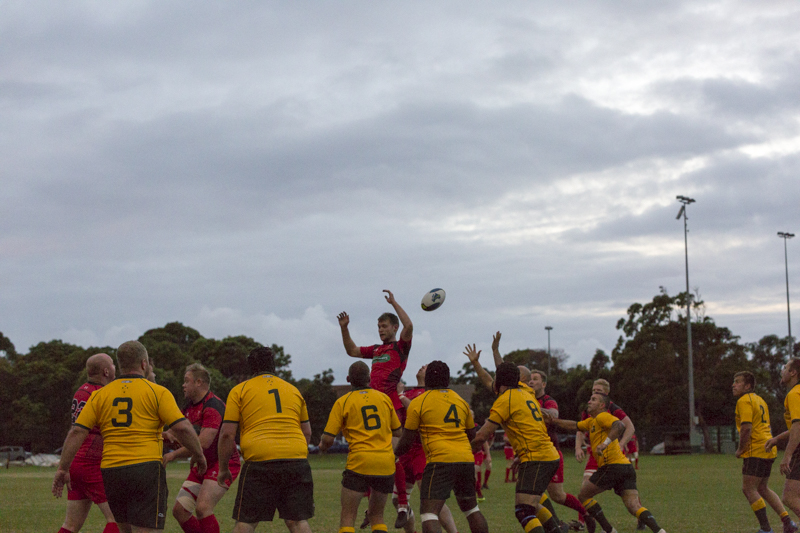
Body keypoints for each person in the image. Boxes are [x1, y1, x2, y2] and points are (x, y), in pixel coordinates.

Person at [53, 340, 207, 533]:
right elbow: (183, 428)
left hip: (111, 471)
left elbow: (77, 431)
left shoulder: (100, 395)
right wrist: (199, 455)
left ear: (120, 366)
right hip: (145, 469)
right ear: (144, 364)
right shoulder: (157, 392)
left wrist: (62, 468)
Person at [338, 289, 414, 528]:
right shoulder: (377, 350)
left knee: (391, 457)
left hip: (391, 407)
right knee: (375, 458)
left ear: (393, 328)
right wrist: (344, 328)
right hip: (373, 407)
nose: (380, 330)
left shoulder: (400, 347)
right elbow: (352, 351)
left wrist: (394, 303)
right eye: (378, 326)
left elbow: (409, 325)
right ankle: (373, 511)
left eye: (384, 326)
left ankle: (403, 505)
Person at [217, 346, 313, 533]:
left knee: (246, 522)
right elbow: (307, 432)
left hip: (261, 461)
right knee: (297, 521)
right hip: (296, 460)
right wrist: (296, 455)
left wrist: (223, 468)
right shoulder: (293, 390)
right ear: (274, 366)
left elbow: (227, 434)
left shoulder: (240, 390)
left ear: (251, 368)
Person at [546, 393, 666, 533]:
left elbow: (619, 425)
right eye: (590, 398)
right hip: (625, 467)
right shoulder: (591, 421)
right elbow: (574, 425)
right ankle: (659, 531)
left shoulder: (603, 416)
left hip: (612, 466)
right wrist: (554, 421)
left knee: (583, 495)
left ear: (602, 405)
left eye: (593, 400)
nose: (589, 402)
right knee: (634, 506)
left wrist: (605, 443)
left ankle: (609, 530)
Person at [394, 360, 489, 533]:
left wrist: (393, 455)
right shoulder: (460, 401)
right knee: (472, 510)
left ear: (428, 379)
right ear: (448, 379)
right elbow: (472, 435)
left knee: (429, 514)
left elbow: (407, 440)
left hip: (439, 460)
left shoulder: (419, 402)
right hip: (465, 460)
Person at [471, 363, 563, 533]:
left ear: (500, 380)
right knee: (532, 505)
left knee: (524, 510)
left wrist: (463, 453)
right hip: (546, 454)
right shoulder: (527, 391)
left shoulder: (504, 401)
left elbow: (482, 436)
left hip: (537, 458)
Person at [320, 361, 402, 533]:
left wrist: (321, 447)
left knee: (348, 517)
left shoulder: (343, 402)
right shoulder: (384, 399)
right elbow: (397, 431)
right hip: (385, 463)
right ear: (369, 378)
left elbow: (328, 439)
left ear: (348, 379)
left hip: (360, 462)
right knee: (377, 517)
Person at [163, 363, 242, 533]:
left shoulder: (214, 406)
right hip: (202, 463)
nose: (183, 385)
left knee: (203, 508)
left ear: (199, 382)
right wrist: (163, 435)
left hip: (223, 464)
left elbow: (203, 443)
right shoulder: (189, 406)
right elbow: (175, 429)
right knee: (179, 511)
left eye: (186, 381)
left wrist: (171, 455)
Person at [56, 353, 119, 533]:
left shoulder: (81, 390)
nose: (116, 367)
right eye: (113, 364)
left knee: (71, 525)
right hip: (91, 462)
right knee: (118, 520)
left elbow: (74, 429)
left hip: (77, 461)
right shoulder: (100, 393)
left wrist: (65, 466)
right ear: (106, 371)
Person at [395, 365, 459, 533]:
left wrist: (400, 395)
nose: (421, 367)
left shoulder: (431, 395)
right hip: (406, 450)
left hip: (422, 450)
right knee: (397, 500)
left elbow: (418, 410)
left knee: (431, 498)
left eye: (426, 367)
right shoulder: (407, 393)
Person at [734, 371, 798, 533]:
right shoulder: (759, 399)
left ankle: (766, 529)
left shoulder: (744, 400)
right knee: (762, 488)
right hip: (768, 447)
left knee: (748, 489)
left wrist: (741, 448)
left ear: (747, 386)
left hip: (755, 449)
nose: (733, 385)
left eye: (737, 382)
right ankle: (787, 522)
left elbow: (747, 427)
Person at [529, 370, 587, 531]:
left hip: (551, 453)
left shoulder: (548, 400)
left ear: (544, 384)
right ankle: (555, 524)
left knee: (558, 496)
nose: (531, 382)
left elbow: (553, 414)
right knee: (531, 492)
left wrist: (531, 409)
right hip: (534, 454)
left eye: (535, 379)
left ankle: (585, 515)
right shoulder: (526, 399)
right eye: (530, 380)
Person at [766, 359, 800, 525]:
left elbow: (798, 426)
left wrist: (787, 456)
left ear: (793, 373)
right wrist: (778, 438)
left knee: (790, 497)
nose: (782, 370)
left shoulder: (794, 394)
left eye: (785, 367)